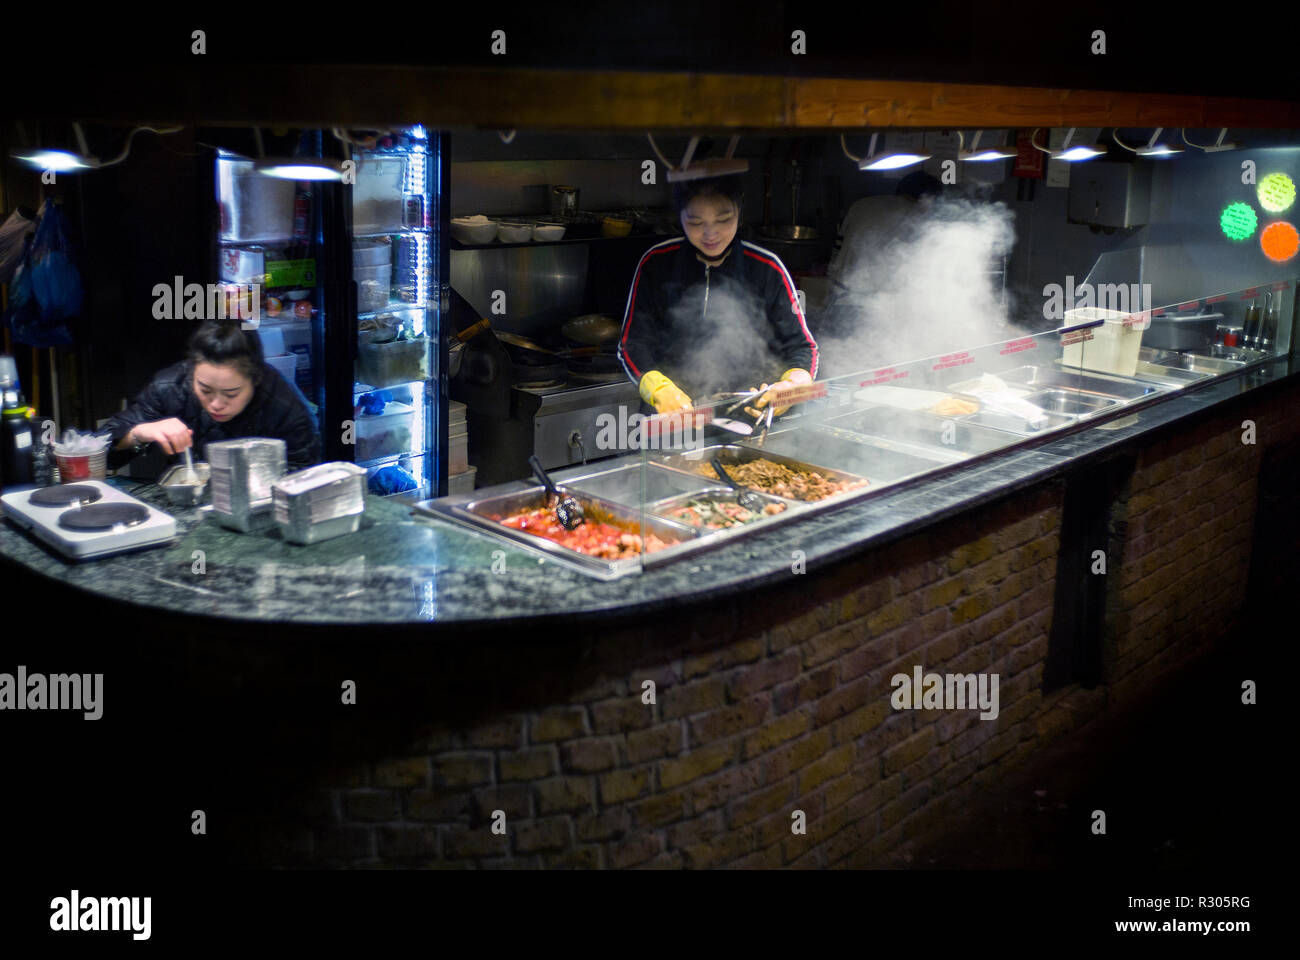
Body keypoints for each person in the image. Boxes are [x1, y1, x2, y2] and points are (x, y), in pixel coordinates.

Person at [616, 173, 818, 419]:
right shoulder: (656, 263)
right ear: (680, 216)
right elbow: (633, 344)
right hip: (672, 421)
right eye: (695, 222)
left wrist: (793, 386)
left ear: (739, 211)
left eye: (723, 219)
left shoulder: (767, 268)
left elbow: (802, 346)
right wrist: (657, 388)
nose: (710, 234)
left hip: (748, 420)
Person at [103, 319, 321, 472]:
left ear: (256, 379)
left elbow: (304, 477)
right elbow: (99, 454)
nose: (216, 404)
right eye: (205, 390)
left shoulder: (283, 406)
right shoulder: (170, 387)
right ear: (192, 371)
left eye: (231, 394)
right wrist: (140, 432)